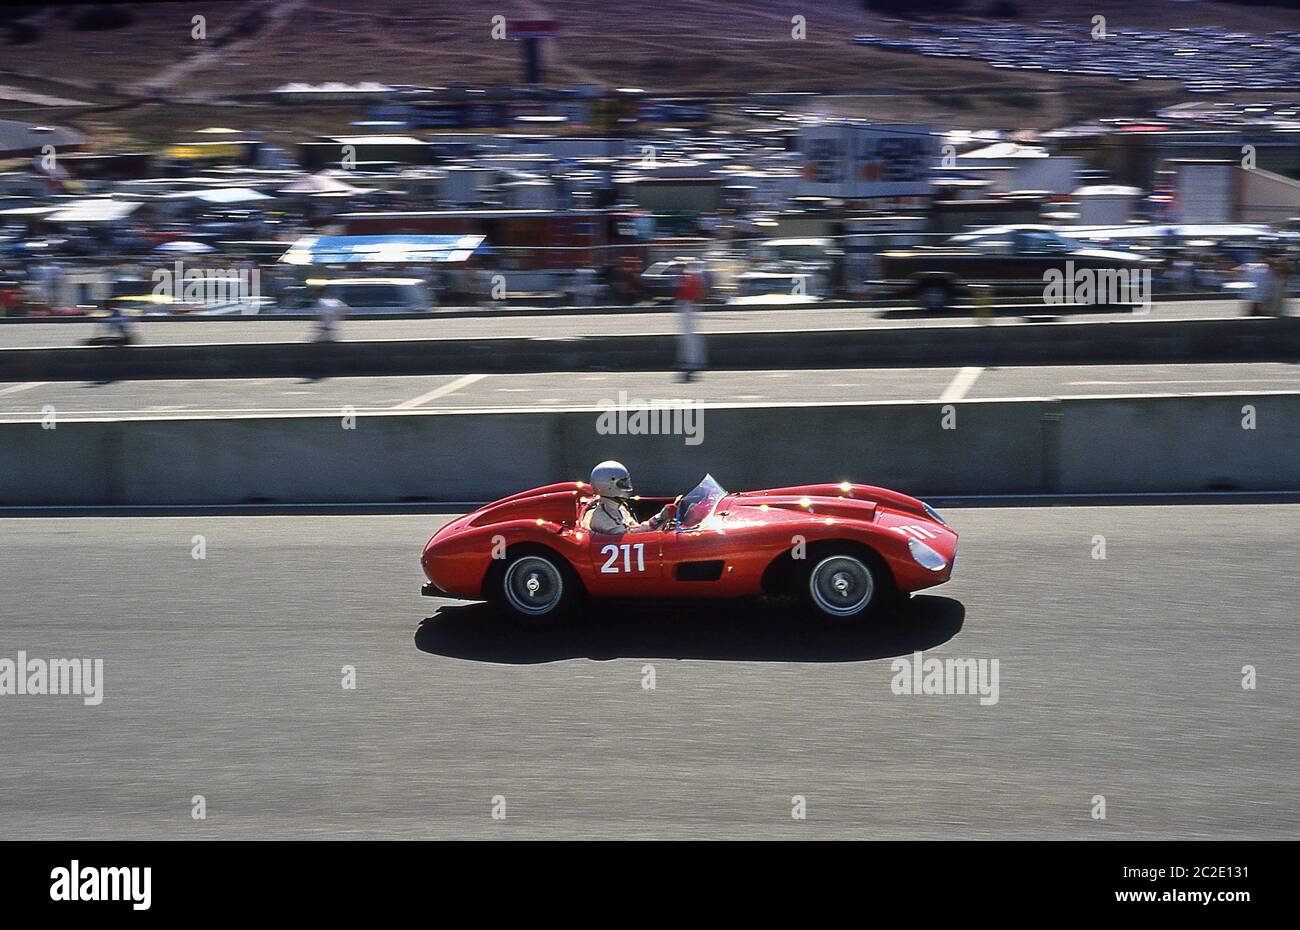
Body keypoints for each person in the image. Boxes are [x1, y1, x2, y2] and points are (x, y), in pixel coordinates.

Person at [585, 461, 676, 535]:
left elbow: (636, 527)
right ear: (608, 486)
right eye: (622, 484)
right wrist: (660, 518)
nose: (626, 486)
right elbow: (630, 536)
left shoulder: (620, 507)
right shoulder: (602, 517)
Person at [674, 261, 707, 383]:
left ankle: (692, 361)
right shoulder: (693, 277)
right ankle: (691, 360)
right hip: (689, 305)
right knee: (689, 336)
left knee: (689, 336)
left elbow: (686, 294)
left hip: (688, 305)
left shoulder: (689, 278)